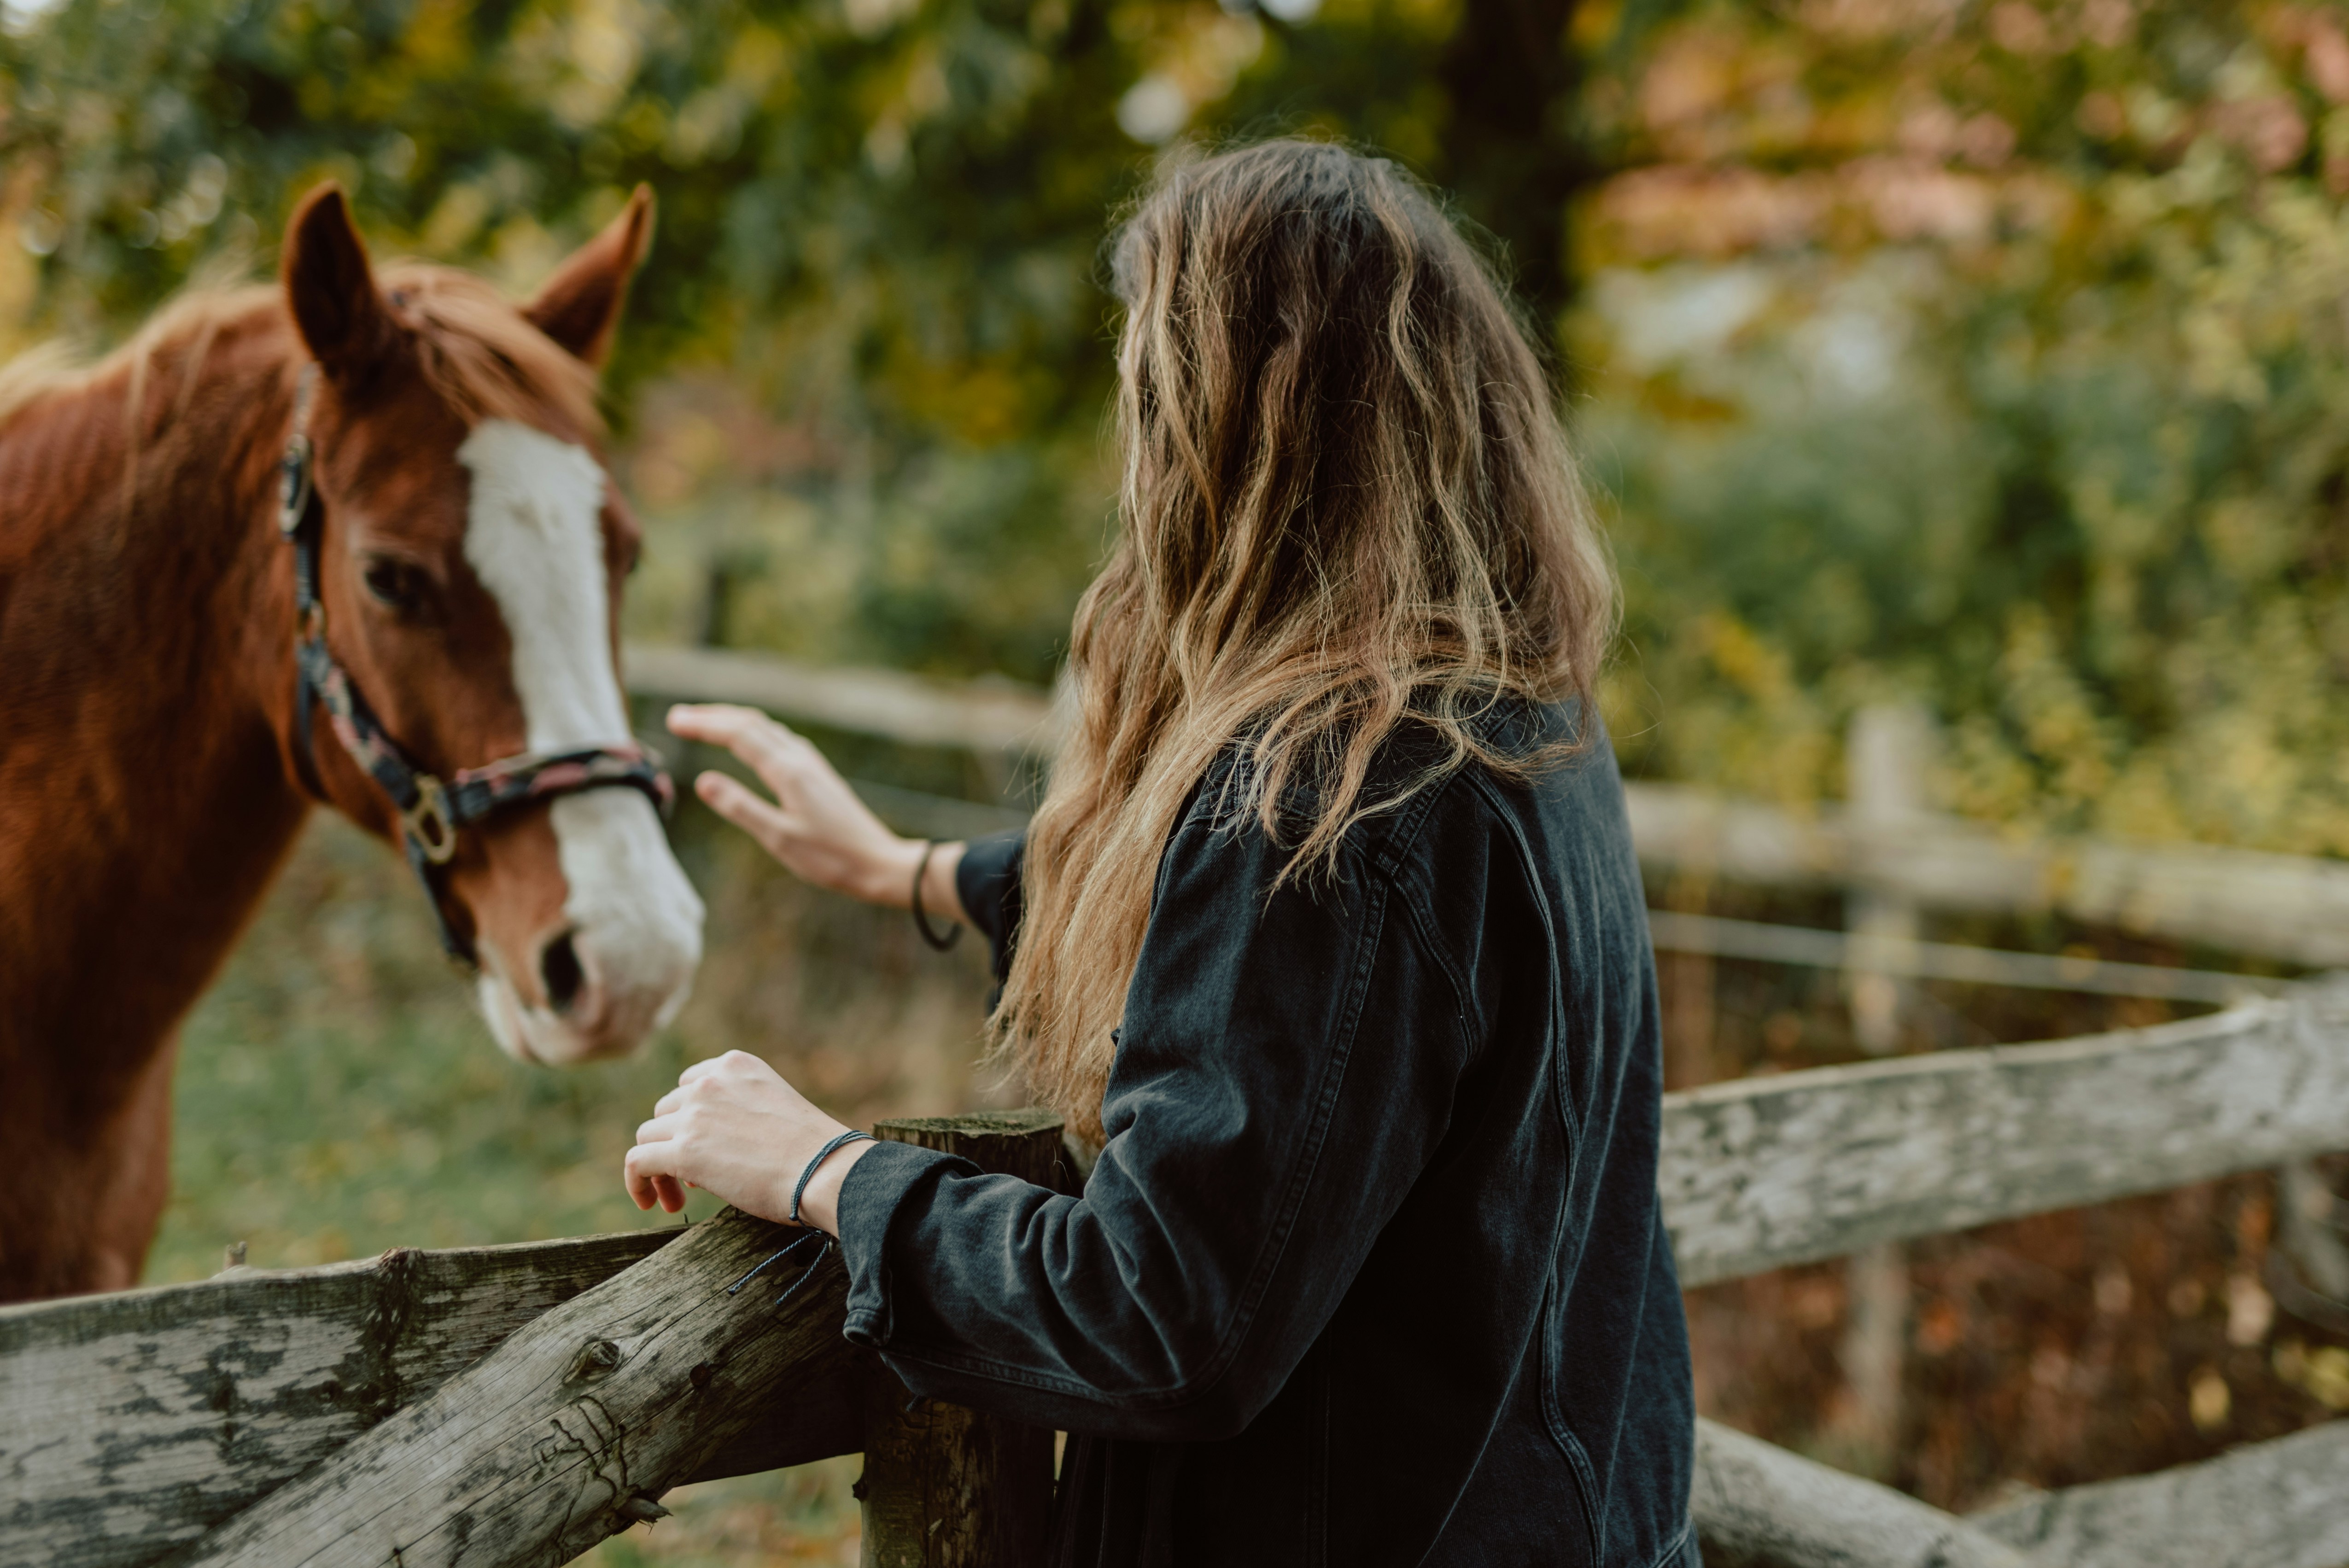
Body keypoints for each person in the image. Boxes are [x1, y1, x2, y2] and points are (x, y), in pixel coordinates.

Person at [630, 139, 1698, 1567]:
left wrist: (823, 1169)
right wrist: (913, 870)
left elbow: (1157, 1317)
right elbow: (1306, 1009)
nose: (1134, 453)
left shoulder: (1319, 797)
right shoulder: (1515, 726)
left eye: (1149, 386)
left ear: (1233, 425)